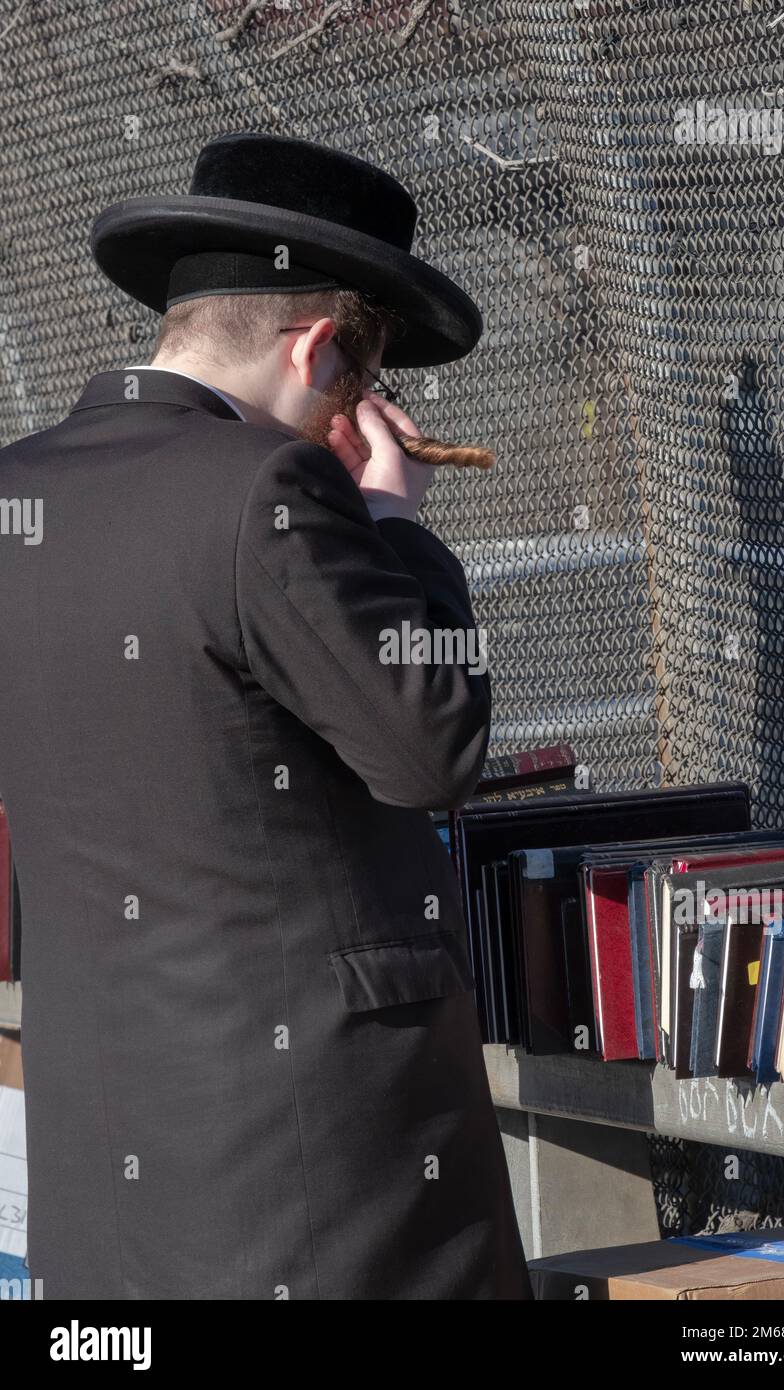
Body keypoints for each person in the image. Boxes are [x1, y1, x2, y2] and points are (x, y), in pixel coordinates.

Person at [0, 132, 531, 1300]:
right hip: (324, 1200)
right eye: (365, 373)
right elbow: (430, 742)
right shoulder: (264, 489)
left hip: (105, 1199)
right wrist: (393, 522)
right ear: (317, 345)